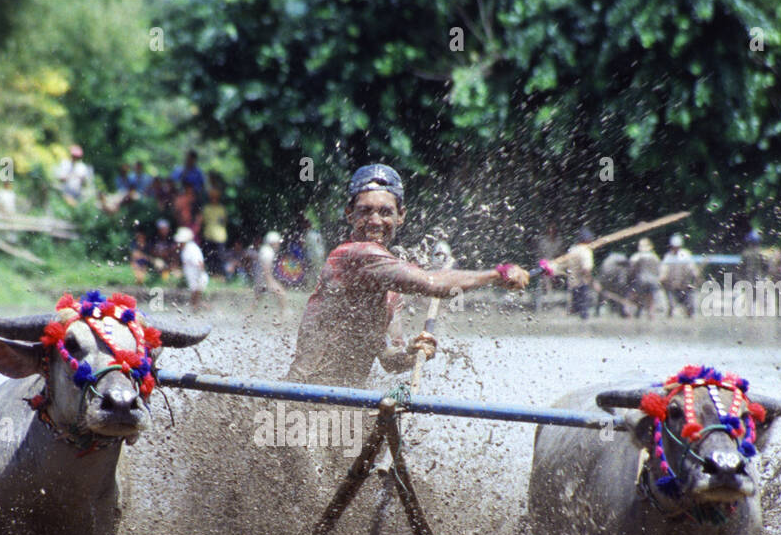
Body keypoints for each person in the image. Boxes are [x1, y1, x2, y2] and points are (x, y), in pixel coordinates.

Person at [284, 163, 530, 387]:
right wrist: (497, 275)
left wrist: (414, 353)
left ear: (401, 216)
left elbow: (390, 362)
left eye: (385, 212)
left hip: (347, 401)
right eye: (365, 211)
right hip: (306, 395)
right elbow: (432, 283)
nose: (375, 221)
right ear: (350, 214)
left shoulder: (390, 293)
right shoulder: (355, 254)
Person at [660, 233, 699, 318]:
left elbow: (692, 270)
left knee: (690, 308)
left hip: (685, 285)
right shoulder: (668, 256)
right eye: (674, 246)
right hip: (672, 286)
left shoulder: (685, 255)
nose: (675, 248)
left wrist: (695, 277)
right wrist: (663, 279)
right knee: (670, 307)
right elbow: (664, 271)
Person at [254, 231, 288, 320]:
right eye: (277, 243)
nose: (278, 245)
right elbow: (266, 270)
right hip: (265, 280)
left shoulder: (264, 250)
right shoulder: (268, 252)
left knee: (256, 302)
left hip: (259, 280)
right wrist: (270, 283)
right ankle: (282, 316)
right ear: (273, 242)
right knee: (282, 294)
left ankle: (246, 317)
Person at [566, 228, 596, 320]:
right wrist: (592, 282)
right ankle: (585, 331)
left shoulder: (572, 250)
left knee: (574, 311)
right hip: (582, 283)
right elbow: (586, 269)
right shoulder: (586, 251)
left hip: (572, 283)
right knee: (584, 312)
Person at [627, 237, 661, 318]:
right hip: (653, 280)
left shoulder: (636, 256)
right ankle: (650, 313)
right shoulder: (655, 257)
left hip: (641, 279)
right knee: (651, 297)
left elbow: (631, 270)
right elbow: (658, 270)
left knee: (634, 294)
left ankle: (630, 311)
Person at [176, 226, 208, 308]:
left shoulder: (192, 248)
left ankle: (210, 311)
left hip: (198, 278)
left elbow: (200, 263)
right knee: (195, 302)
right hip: (193, 279)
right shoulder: (186, 249)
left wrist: (200, 279)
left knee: (195, 302)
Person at [199, 188, 229, 276]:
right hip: (208, 235)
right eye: (212, 197)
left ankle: (221, 275)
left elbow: (224, 221)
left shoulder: (221, 208)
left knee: (220, 256)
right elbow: (202, 221)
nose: (214, 198)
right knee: (210, 256)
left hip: (220, 236)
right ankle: (212, 274)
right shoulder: (206, 208)